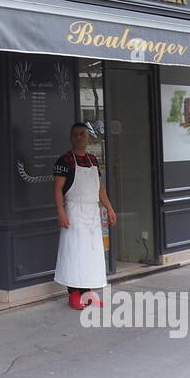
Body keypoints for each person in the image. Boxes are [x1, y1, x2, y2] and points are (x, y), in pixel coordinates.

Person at [53, 122, 116, 310]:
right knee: (74, 253)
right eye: (75, 134)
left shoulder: (93, 160)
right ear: (70, 138)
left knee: (91, 253)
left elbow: (100, 188)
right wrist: (61, 211)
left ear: (88, 137)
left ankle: (88, 293)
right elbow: (57, 190)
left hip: (92, 213)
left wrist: (109, 208)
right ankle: (73, 293)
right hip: (74, 211)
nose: (79, 137)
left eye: (82, 134)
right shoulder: (64, 161)